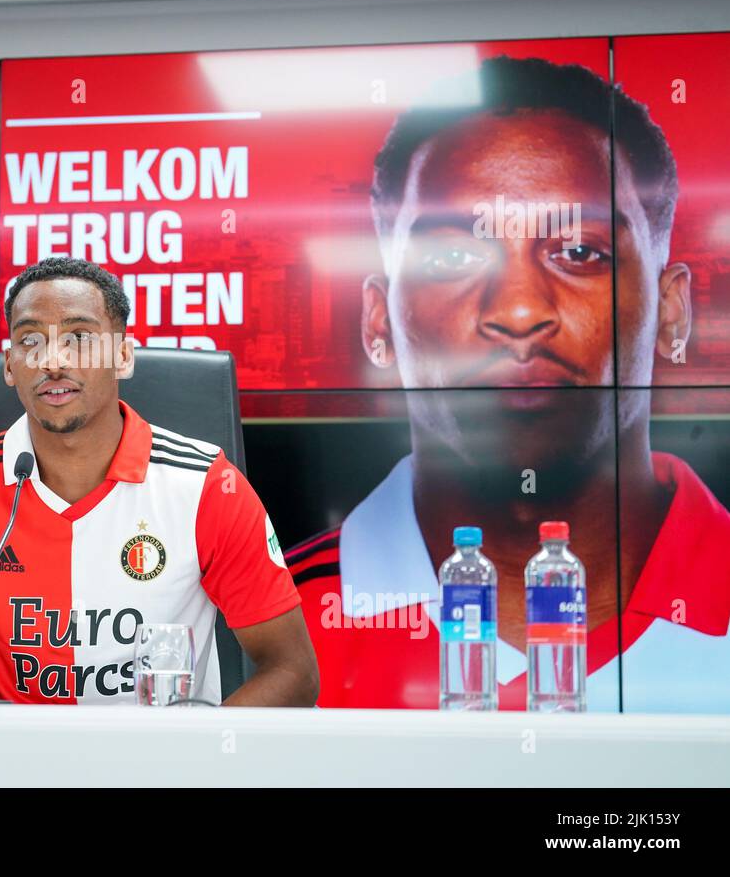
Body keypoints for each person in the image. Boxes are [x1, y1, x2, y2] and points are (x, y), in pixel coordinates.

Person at [285, 56, 730, 711]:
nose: (520, 310)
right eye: (454, 257)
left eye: (579, 252)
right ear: (378, 320)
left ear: (672, 314)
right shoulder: (270, 620)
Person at [0, 257, 319, 705]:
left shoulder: (206, 486)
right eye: (30, 341)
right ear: (9, 366)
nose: (53, 361)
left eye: (79, 338)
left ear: (122, 355)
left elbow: (291, 670)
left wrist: (191, 765)